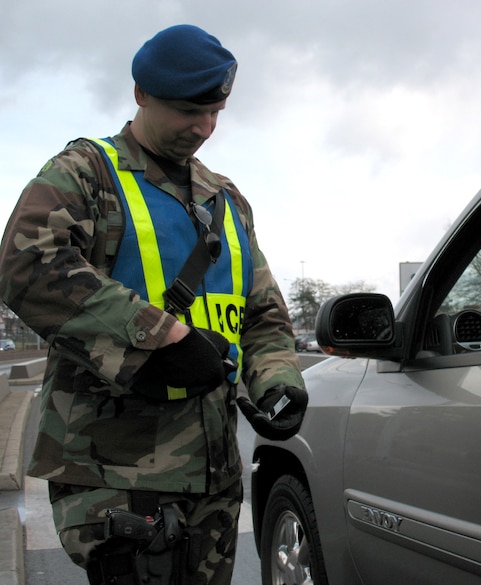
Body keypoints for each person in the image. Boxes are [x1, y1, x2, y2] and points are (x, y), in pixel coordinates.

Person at [0, 24, 308, 585]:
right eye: (189, 110)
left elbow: (262, 311)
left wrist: (279, 379)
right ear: (142, 95)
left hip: (215, 475)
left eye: (216, 110)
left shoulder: (227, 198)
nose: (205, 126)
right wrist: (161, 336)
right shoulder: (86, 174)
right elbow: (28, 263)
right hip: (120, 479)